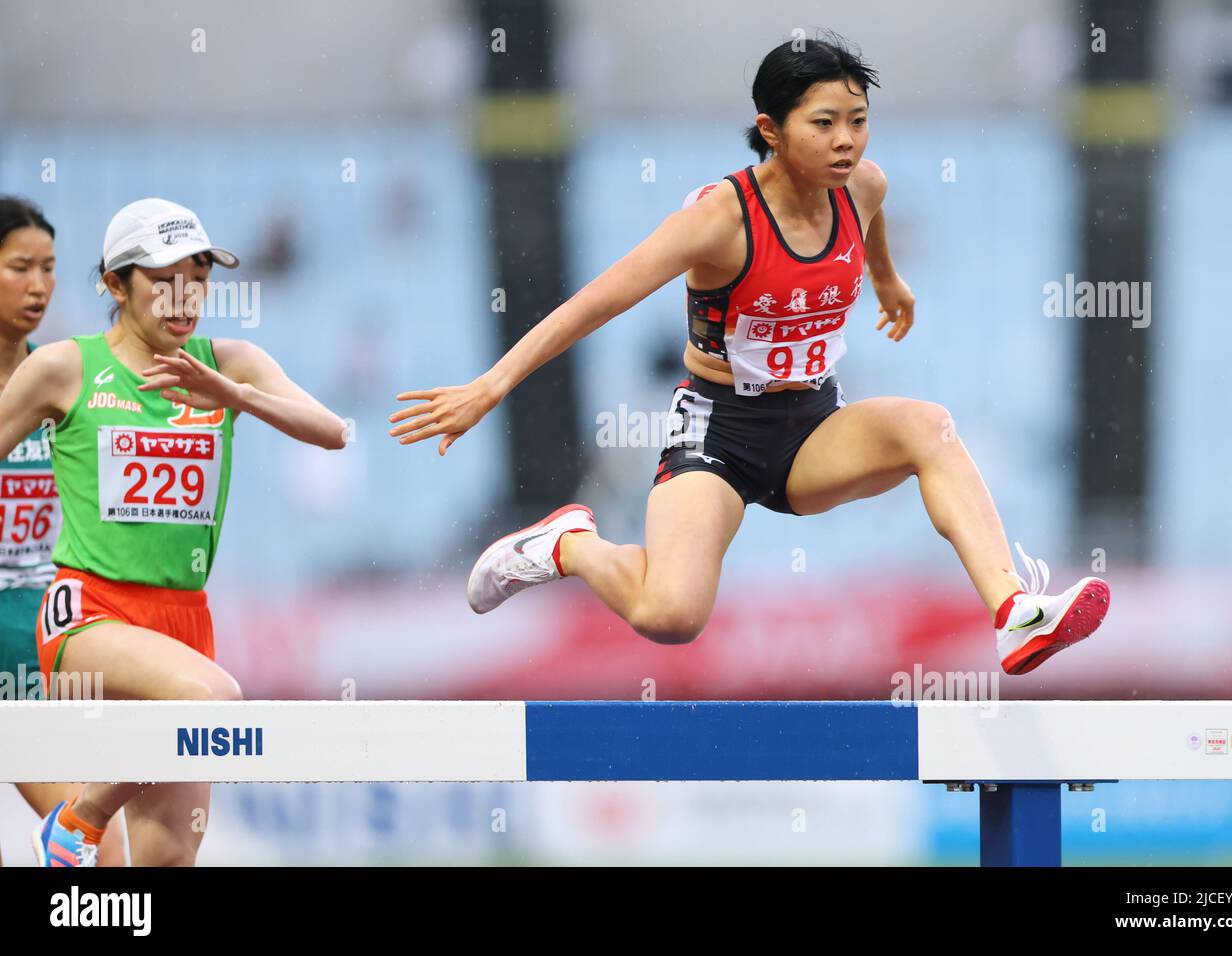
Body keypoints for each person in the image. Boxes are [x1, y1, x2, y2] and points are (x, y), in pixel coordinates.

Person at [389, 35, 1109, 677]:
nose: (846, 143)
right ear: (770, 129)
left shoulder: (862, 187)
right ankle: (568, 546)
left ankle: (1015, 612)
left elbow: (871, 216)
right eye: (823, 124)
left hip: (814, 425)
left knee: (930, 425)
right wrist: (493, 383)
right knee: (671, 616)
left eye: (857, 122)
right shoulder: (716, 223)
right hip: (719, 434)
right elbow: (597, 301)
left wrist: (887, 280)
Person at [0, 197, 348, 866]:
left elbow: (333, 432)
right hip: (88, 618)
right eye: (162, 282)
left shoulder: (231, 361)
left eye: (199, 279)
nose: (183, 298)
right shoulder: (67, 367)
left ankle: (83, 830)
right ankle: (80, 816)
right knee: (217, 700)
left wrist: (235, 396)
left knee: (165, 864)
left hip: (183, 622)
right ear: (113, 285)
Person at [0, 196, 128, 866]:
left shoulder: (62, 375)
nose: (40, 284)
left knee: (101, 853)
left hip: (53, 634)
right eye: (20, 267)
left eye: (50, 268)